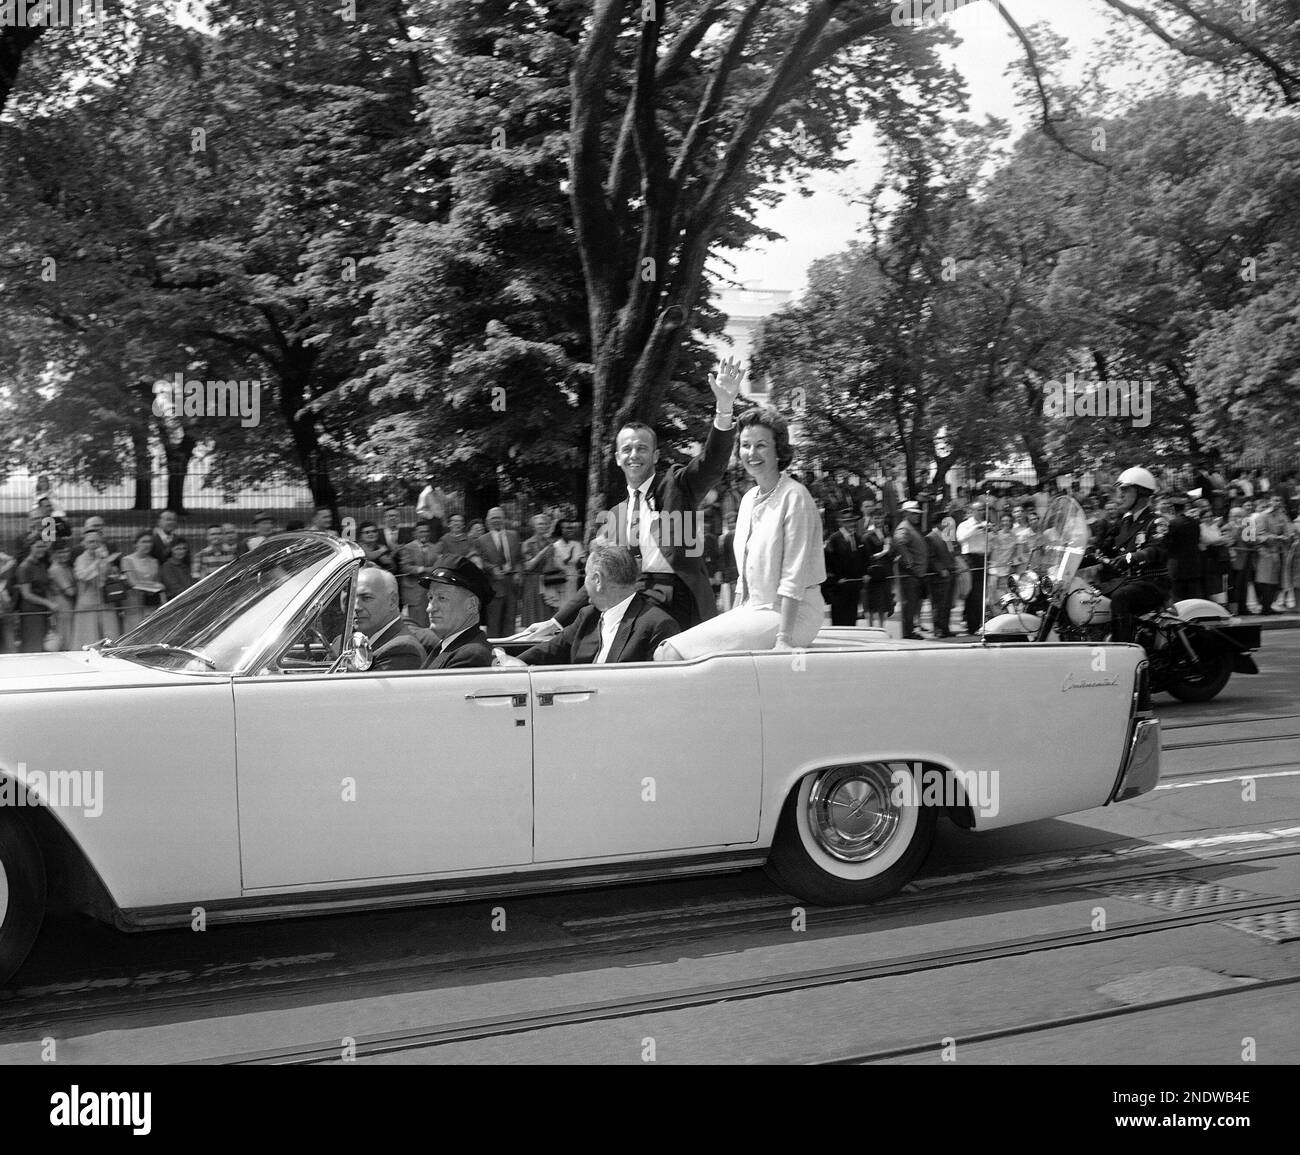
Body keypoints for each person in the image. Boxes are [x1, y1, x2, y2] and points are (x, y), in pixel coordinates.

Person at [519, 357, 743, 639]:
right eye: (627, 449)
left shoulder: (677, 485)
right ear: (617, 458)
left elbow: (712, 463)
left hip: (680, 600)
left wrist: (724, 408)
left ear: (656, 455)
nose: (634, 454)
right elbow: (596, 576)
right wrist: (555, 622)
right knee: (590, 635)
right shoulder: (614, 516)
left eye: (641, 448)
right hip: (632, 598)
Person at [654, 406, 823, 659]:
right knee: (665, 649)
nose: (751, 453)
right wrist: (733, 619)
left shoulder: (795, 496)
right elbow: (743, 580)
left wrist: (784, 640)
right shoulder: (747, 500)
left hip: (792, 617)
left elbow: (793, 576)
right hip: (753, 611)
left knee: (671, 654)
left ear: (779, 449)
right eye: (745, 445)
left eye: (761, 445)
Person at [507, 543, 679, 666]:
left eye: (586, 576)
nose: (583, 585)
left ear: (597, 580)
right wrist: (509, 663)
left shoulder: (658, 625)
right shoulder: (588, 616)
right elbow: (549, 651)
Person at [1086, 466, 1170, 643]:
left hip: (1151, 584)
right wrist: (1083, 554)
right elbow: (1106, 546)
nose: (1120, 495)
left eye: (1125, 490)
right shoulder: (1124, 521)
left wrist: (1130, 558)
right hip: (1125, 582)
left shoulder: (1156, 522)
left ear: (1141, 492)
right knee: (1086, 598)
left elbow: (1155, 550)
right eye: (1120, 490)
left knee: (1120, 598)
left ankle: (1123, 650)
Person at [419, 557, 494, 669]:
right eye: (430, 598)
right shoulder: (447, 646)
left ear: (472, 605)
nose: (430, 608)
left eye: (442, 598)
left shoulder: (470, 656)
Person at [350, 565, 426, 671]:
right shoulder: (350, 640)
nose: (356, 607)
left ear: (392, 601)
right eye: (352, 598)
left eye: (366, 598)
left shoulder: (403, 650)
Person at [72, 528, 122, 648]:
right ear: (84, 544)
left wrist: (113, 572)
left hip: (105, 603)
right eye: (91, 542)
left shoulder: (106, 558)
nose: (94, 545)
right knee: (88, 639)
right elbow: (82, 576)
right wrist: (98, 562)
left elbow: (109, 577)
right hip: (87, 605)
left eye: (97, 542)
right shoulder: (80, 559)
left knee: (110, 636)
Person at [476, 507, 521, 636]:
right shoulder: (482, 540)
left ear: (504, 519)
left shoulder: (513, 536)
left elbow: (519, 559)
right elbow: (480, 561)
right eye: (493, 517)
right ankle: (494, 652)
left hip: (511, 585)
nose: (496, 520)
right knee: (494, 622)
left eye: (499, 517)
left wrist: (518, 572)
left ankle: (510, 651)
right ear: (487, 521)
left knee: (510, 621)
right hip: (494, 585)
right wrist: (491, 568)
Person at [823, 508, 869, 626]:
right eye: (848, 521)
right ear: (841, 523)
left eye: (853, 521)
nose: (851, 524)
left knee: (852, 613)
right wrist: (836, 578)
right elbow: (829, 561)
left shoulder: (857, 538)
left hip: (854, 583)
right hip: (840, 585)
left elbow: (863, 558)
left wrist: (864, 573)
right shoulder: (834, 539)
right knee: (840, 614)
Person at [1250, 494, 1292, 615]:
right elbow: (1258, 535)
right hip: (1265, 553)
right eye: (1275, 500)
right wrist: (1275, 537)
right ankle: (1265, 607)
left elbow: (1289, 530)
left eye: (1279, 500)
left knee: (1276, 583)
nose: (1277, 502)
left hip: (1280, 552)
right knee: (1265, 582)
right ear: (1270, 501)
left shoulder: (1282, 516)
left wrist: (1288, 537)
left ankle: (1269, 605)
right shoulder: (1262, 516)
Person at [892, 500, 928, 639]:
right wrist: (908, 560)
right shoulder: (904, 528)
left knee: (913, 604)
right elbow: (899, 542)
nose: (917, 516)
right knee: (909, 604)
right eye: (914, 513)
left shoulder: (912, 527)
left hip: (916, 573)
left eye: (917, 513)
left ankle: (910, 630)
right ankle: (908, 632)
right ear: (906, 513)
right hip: (910, 573)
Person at [397, 521, 442, 627]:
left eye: (426, 531)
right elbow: (405, 567)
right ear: (415, 533)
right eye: (421, 531)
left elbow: (438, 566)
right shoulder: (408, 548)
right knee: (417, 624)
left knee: (432, 623)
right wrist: (423, 569)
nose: (424, 534)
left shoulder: (434, 547)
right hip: (415, 592)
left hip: (431, 592)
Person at [15, 538, 57, 651]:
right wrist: (48, 603)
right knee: (33, 645)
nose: (42, 549)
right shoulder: (24, 567)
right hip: (31, 612)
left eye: (43, 546)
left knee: (44, 645)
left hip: (43, 610)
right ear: (30, 547)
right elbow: (26, 594)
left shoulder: (41, 564)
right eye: (38, 546)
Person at [956, 499, 991, 634]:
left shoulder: (986, 523)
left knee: (981, 593)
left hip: (983, 558)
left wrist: (990, 530)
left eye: (983, 509)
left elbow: (990, 542)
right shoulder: (964, 525)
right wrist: (976, 528)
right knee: (971, 593)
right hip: (970, 558)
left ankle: (979, 623)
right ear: (972, 511)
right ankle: (972, 625)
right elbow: (961, 538)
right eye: (978, 509)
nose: (981, 512)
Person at [120, 531, 166, 631]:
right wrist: (155, 586)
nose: (147, 545)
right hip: (134, 602)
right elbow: (133, 582)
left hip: (151, 602)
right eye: (143, 541)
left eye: (149, 542)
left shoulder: (154, 561)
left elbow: (157, 581)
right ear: (136, 544)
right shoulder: (127, 560)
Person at [519, 513, 559, 626]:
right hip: (532, 581)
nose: (543, 526)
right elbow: (528, 566)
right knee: (533, 613)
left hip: (547, 581)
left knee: (547, 613)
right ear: (534, 526)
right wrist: (543, 552)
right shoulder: (527, 543)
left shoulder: (551, 543)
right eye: (540, 524)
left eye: (545, 524)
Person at [860, 506, 894, 628]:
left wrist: (890, 550)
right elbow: (869, 556)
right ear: (871, 519)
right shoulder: (867, 536)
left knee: (883, 604)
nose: (879, 520)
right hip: (874, 573)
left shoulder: (886, 533)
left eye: (881, 517)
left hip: (886, 572)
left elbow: (891, 553)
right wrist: (884, 552)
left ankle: (882, 627)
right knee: (871, 604)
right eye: (876, 518)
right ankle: (870, 628)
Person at [1164, 496, 1203, 602]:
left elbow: (1167, 543)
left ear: (1172, 509)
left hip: (1176, 565)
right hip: (1193, 564)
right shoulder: (1195, 523)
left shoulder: (1172, 524)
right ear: (1184, 508)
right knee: (1193, 596)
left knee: (1178, 598)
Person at [925, 517, 956, 638]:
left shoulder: (946, 536)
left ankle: (945, 627)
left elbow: (951, 552)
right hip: (938, 577)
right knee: (938, 604)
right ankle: (938, 629)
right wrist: (940, 569)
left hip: (950, 572)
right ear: (938, 523)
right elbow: (931, 557)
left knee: (947, 604)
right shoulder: (930, 537)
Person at [46, 540, 77, 649]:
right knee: (65, 633)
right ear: (53, 553)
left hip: (68, 603)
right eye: (60, 552)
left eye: (66, 551)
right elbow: (70, 591)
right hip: (63, 604)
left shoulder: (65, 566)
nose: (64, 554)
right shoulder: (56, 569)